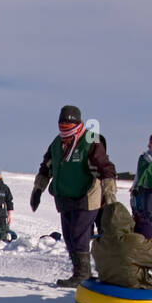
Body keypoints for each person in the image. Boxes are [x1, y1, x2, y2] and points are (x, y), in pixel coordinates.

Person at [29, 105, 119, 287]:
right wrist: (37, 189)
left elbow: (106, 169)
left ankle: (83, 274)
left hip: (87, 196)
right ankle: (80, 271)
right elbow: (46, 167)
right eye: (62, 127)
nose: (65, 131)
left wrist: (110, 196)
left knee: (79, 233)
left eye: (68, 128)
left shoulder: (90, 140)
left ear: (78, 125)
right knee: (69, 236)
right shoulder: (56, 143)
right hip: (64, 196)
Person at [91, 202, 152, 289]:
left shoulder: (97, 243)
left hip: (109, 281)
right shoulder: (132, 242)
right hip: (136, 284)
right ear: (126, 219)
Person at [131, 134, 152, 241]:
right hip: (147, 188)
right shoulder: (143, 158)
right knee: (148, 213)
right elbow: (138, 173)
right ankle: (149, 236)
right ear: (149, 145)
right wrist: (135, 186)